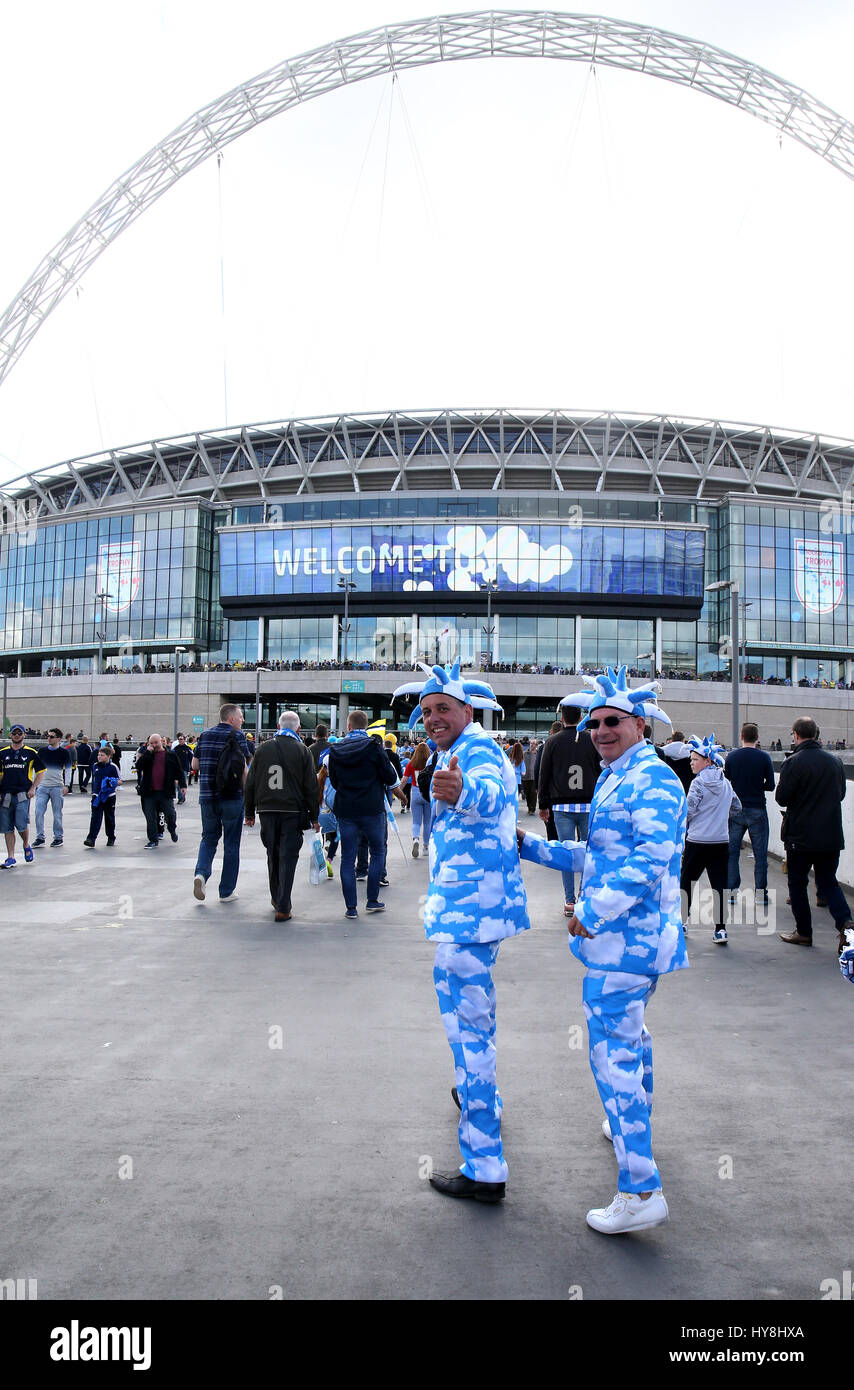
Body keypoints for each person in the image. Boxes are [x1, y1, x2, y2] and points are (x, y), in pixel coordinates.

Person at [518, 666, 687, 1234]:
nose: (599, 731)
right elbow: (600, 854)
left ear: (641, 724)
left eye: (612, 721)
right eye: (593, 723)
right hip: (629, 944)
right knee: (631, 1040)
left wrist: (590, 912)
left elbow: (649, 859)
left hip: (626, 945)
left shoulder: (654, 779)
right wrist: (530, 848)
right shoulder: (620, 774)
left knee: (610, 1054)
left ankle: (641, 1190)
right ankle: (628, 1127)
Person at [408, 661, 528, 1204]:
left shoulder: (474, 751)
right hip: (464, 912)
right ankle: (479, 1094)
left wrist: (462, 792)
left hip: (471, 915)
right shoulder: (454, 748)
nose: (433, 718)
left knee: (471, 1029)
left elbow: (490, 793)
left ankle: (484, 1167)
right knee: (459, 1009)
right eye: (427, 711)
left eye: (443, 710)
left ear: (467, 711)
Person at [776, 716, 854, 949]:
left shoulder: (793, 763)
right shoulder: (835, 762)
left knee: (797, 883)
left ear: (796, 735)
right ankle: (846, 923)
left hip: (800, 836)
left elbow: (782, 798)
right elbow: (840, 794)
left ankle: (804, 932)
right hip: (830, 834)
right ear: (817, 734)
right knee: (828, 882)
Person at [244, 711, 319, 922]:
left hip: (266, 810)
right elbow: (311, 787)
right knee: (288, 857)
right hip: (293, 811)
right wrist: (314, 816)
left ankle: (276, 897)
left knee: (272, 854)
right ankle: (283, 906)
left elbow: (250, 782)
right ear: (297, 729)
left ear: (278, 727)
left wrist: (249, 811)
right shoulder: (303, 751)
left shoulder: (263, 749)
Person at [326, 711, 399, 918]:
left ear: (348, 726)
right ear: (365, 726)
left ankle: (351, 908)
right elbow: (389, 775)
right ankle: (372, 900)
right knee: (377, 852)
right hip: (372, 808)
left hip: (347, 809)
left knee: (348, 858)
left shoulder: (336, 749)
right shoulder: (374, 746)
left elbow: (335, 781)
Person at [537, 701, 601, 917]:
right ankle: (585, 895)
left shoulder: (552, 742)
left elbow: (544, 775)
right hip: (588, 804)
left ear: (562, 718)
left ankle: (569, 900)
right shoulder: (592, 740)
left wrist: (543, 804)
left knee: (566, 852)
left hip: (562, 805)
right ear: (581, 716)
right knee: (588, 853)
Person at [680, 735, 741, 946]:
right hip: (720, 841)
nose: (691, 763)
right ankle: (720, 929)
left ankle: (682, 922)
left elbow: (689, 811)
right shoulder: (726, 784)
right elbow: (737, 808)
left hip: (697, 840)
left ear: (707, 761)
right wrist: (719, 816)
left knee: (687, 881)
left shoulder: (697, 784)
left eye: (695, 759)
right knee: (719, 886)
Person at [192, 704, 251, 902]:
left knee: (208, 838)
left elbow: (194, 765)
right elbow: (243, 769)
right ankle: (226, 892)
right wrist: (249, 795)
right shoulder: (237, 735)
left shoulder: (205, 735)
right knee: (231, 843)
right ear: (232, 718)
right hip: (232, 797)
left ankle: (201, 874)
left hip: (207, 797)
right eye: (241, 717)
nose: (242, 720)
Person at [725, 722, 775, 904]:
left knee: (732, 854)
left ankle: (731, 893)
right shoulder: (764, 758)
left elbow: (726, 782)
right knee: (760, 854)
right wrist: (756, 786)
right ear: (757, 738)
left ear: (741, 737)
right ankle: (761, 895)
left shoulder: (732, 757)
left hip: (736, 811)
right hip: (757, 810)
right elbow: (770, 785)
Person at [0, 724, 45, 867]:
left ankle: (26, 844)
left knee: (21, 824)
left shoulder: (31, 753)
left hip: (22, 794)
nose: (17, 735)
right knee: (7, 827)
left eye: (20, 733)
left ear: (24, 735)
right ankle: (11, 857)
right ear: (10, 735)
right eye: (14, 733)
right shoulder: (2, 752)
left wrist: (33, 788)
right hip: (6, 794)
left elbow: (41, 771)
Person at [135, 733, 186, 848]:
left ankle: (172, 829)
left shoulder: (171, 755)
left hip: (165, 792)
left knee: (170, 814)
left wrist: (183, 785)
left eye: (156, 743)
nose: (154, 745)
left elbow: (179, 770)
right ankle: (153, 840)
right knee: (150, 817)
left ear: (161, 742)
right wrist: (148, 752)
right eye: (151, 743)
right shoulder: (148, 755)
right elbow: (139, 766)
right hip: (149, 792)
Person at [33, 727, 72, 847]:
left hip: (57, 786)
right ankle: (40, 838)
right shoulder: (41, 751)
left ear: (59, 739)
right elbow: (36, 769)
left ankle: (58, 837)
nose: (48, 738)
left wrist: (66, 786)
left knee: (57, 813)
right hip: (42, 786)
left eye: (51, 736)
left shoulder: (64, 752)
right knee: (38, 812)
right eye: (48, 736)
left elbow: (69, 770)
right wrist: (34, 785)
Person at [83, 746, 122, 848]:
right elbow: (95, 780)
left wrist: (112, 782)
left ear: (108, 756)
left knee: (109, 818)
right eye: (98, 755)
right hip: (97, 796)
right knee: (95, 817)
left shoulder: (113, 767)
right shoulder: (95, 766)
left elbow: (120, 781)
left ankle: (111, 837)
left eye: (102, 755)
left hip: (109, 796)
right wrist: (93, 793)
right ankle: (91, 839)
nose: (99, 757)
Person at [405, 741, 432, 857]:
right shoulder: (430, 764)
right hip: (427, 794)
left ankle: (415, 838)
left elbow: (404, 779)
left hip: (415, 792)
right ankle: (426, 846)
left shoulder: (411, 764)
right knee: (427, 822)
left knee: (416, 821)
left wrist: (400, 793)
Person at [172, 733, 194, 804]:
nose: (180, 741)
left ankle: (181, 797)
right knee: (177, 784)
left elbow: (191, 759)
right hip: (176, 769)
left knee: (182, 783)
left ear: (184, 740)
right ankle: (180, 797)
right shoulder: (176, 749)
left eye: (181, 739)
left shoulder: (188, 749)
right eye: (179, 739)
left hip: (184, 769)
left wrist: (191, 769)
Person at [520, 739, 538, 814]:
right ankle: (529, 806)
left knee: (533, 793)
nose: (532, 745)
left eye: (533, 743)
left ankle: (532, 809)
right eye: (531, 743)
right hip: (525, 777)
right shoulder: (524, 753)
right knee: (527, 793)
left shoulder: (538, 754)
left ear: (536, 745)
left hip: (534, 777)